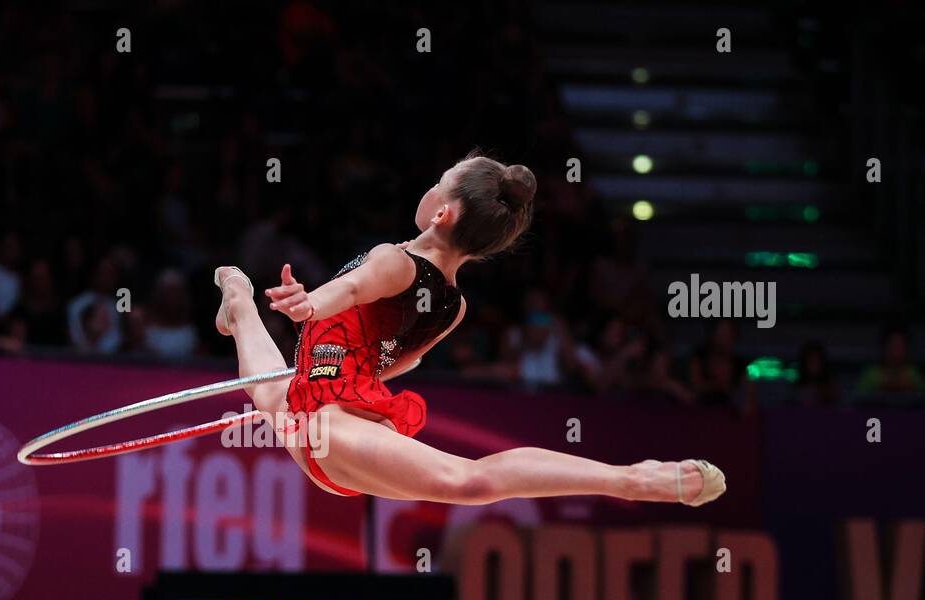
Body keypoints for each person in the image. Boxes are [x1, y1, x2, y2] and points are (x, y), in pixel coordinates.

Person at [211, 150, 725, 506]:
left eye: (439, 182)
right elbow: (399, 362)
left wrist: (307, 305)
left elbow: (347, 291)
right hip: (340, 429)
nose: (430, 186)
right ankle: (238, 300)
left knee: (469, 481)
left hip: (335, 424)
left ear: (441, 211)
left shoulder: (395, 260)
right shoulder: (453, 308)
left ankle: (633, 480)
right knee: (276, 397)